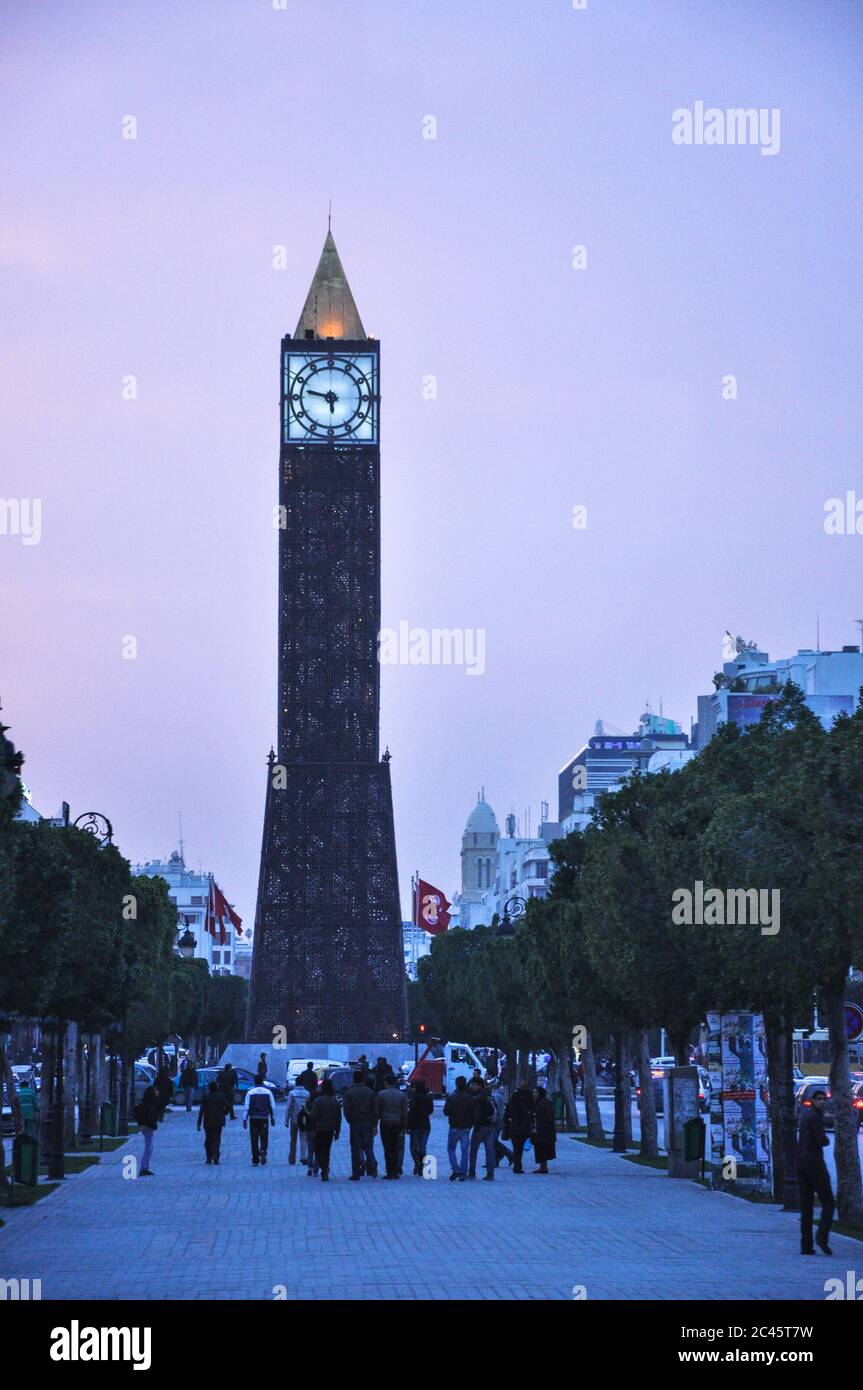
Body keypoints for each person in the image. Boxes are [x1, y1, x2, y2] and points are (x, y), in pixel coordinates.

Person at [797, 1089, 835, 1255]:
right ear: (812, 1100)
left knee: (807, 1207)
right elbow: (822, 1140)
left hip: (802, 1165)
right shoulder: (815, 1117)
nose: (821, 1102)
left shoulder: (805, 1115)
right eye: (818, 1099)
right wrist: (826, 1139)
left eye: (823, 1099)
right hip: (815, 1165)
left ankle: (806, 1245)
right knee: (828, 1202)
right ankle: (822, 1236)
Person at [343, 1070, 378, 1179]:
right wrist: (374, 1123)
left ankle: (356, 1172)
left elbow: (346, 1110)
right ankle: (372, 1163)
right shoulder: (370, 1092)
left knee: (355, 1147)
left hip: (355, 1122)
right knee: (368, 1146)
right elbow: (375, 1110)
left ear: (354, 1079)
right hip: (367, 1122)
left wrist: (350, 1120)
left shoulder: (349, 1092)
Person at [376, 1074, 408, 1179]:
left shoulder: (381, 1094)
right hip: (398, 1123)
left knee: (387, 1148)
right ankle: (396, 1169)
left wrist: (375, 1123)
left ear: (386, 1082)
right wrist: (404, 1127)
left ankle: (390, 1171)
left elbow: (378, 1111)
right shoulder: (401, 1095)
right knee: (396, 1148)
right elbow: (404, 1113)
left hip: (385, 1123)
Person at [443, 1075, 474, 1181]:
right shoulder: (469, 1097)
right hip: (466, 1127)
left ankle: (455, 1169)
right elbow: (472, 1112)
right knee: (465, 1150)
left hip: (454, 1126)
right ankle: (463, 1172)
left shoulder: (452, 1096)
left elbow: (446, 1112)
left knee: (451, 1149)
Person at [309, 1078, 341, 1181]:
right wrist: (337, 1131)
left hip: (319, 1129)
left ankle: (324, 1168)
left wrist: (312, 1128)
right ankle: (325, 1169)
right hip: (330, 1129)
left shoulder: (318, 1101)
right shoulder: (335, 1101)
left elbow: (313, 1116)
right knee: (327, 1150)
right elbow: (338, 1118)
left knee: (318, 1150)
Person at [243, 1075, 276, 1166]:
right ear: (262, 1082)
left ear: (254, 1082)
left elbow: (247, 1107)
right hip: (264, 1118)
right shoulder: (268, 1092)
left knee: (254, 1139)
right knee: (264, 1136)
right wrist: (273, 1118)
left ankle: (255, 1160)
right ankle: (263, 1150)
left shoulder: (250, 1093)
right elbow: (272, 1106)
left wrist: (244, 1119)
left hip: (253, 1118)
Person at [468, 1079, 497, 1181]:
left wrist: (474, 1125)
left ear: (479, 1086)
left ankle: (472, 1172)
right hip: (491, 1126)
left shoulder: (478, 1098)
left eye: (474, 1085)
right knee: (489, 1150)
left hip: (480, 1127)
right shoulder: (490, 1096)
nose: (472, 1087)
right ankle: (490, 1174)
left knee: (473, 1150)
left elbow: (476, 1114)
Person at [503, 1082, 534, 1174]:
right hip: (523, 1130)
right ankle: (518, 1166)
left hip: (513, 1129)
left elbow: (506, 1117)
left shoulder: (511, 1105)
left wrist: (507, 1126)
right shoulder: (523, 1107)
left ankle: (517, 1166)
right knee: (519, 1149)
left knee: (516, 1148)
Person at [197, 1081, 229, 1164]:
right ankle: (216, 1157)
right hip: (218, 1121)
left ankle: (209, 1157)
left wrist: (199, 1123)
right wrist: (224, 1112)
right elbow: (228, 1106)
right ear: (216, 1087)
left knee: (208, 1139)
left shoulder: (205, 1097)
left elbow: (201, 1111)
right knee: (217, 1139)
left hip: (208, 1121)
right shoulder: (221, 1096)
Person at [407, 1079, 434, 1176]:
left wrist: (407, 1125)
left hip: (415, 1125)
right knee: (423, 1147)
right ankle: (421, 1166)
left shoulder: (414, 1098)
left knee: (413, 1147)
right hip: (425, 1124)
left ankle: (417, 1163)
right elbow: (431, 1111)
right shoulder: (428, 1098)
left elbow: (411, 1112)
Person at [284, 1078, 312, 1165]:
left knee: (293, 1139)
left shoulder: (292, 1093)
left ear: (296, 1083)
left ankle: (292, 1158)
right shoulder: (307, 1093)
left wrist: (286, 1121)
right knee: (303, 1138)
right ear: (303, 1083)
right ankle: (303, 1157)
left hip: (294, 1119)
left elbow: (288, 1108)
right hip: (304, 1120)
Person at [134, 1084, 160, 1176]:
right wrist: (143, 1124)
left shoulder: (150, 1103)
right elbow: (149, 1116)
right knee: (148, 1148)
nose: (158, 1092)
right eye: (156, 1091)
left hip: (148, 1126)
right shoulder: (150, 1104)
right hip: (148, 1127)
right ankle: (143, 1168)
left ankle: (145, 1167)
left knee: (150, 1147)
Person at [531, 1085, 556, 1175]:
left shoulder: (545, 1103)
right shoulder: (538, 1102)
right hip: (539, 1130)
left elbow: (548, 1118)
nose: (534, 1094)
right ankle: (542, 1167)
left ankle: (543, 1167)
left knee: (543, 1149)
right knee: (540, 1149)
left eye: (536, 1092)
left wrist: (540, 1127)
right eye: (533, 1092)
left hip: (544, 1131)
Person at [490, 1082, 512, 1167]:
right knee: (492, 1141)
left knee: (491, 1141)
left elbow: (496, 1110)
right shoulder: (498, 1094)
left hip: (496, 1122)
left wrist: (493, 1120)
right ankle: (497, 1158)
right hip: (499, 1121)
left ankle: (507, 1153)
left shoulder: (496, 1095)